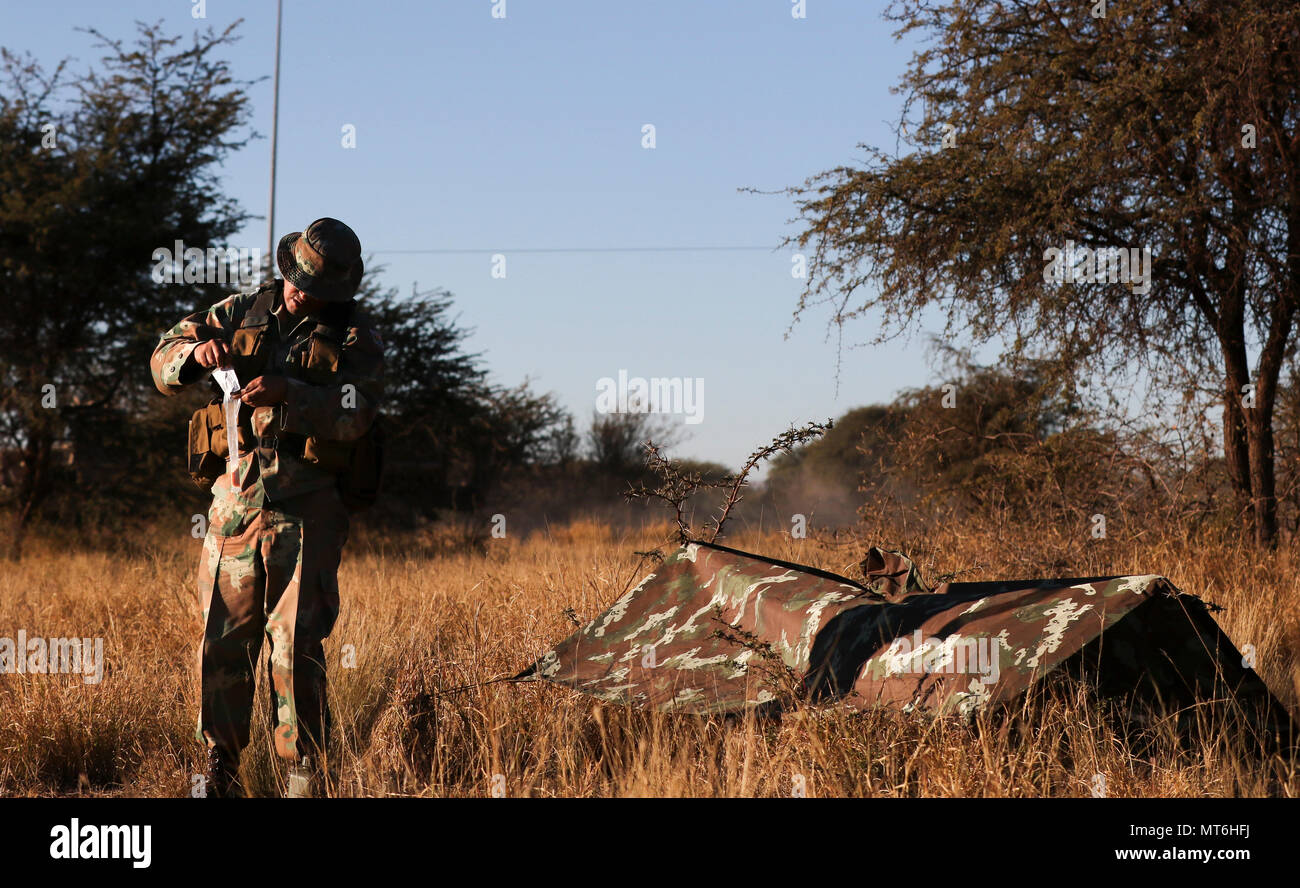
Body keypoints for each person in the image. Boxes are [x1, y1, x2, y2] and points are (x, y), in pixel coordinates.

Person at [149, 218, 384, 797]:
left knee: (295, 643)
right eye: (300, 279)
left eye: (318, 286)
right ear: (287, 268)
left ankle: (305, 772)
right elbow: (161, 362)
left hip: (308, 511)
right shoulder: (238, 311)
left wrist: (292, 395)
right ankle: (220, 768)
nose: (305, 292)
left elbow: (357, 412)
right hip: (232, 508)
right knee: (222, 639)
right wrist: (192, 353)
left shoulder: (354, 336)